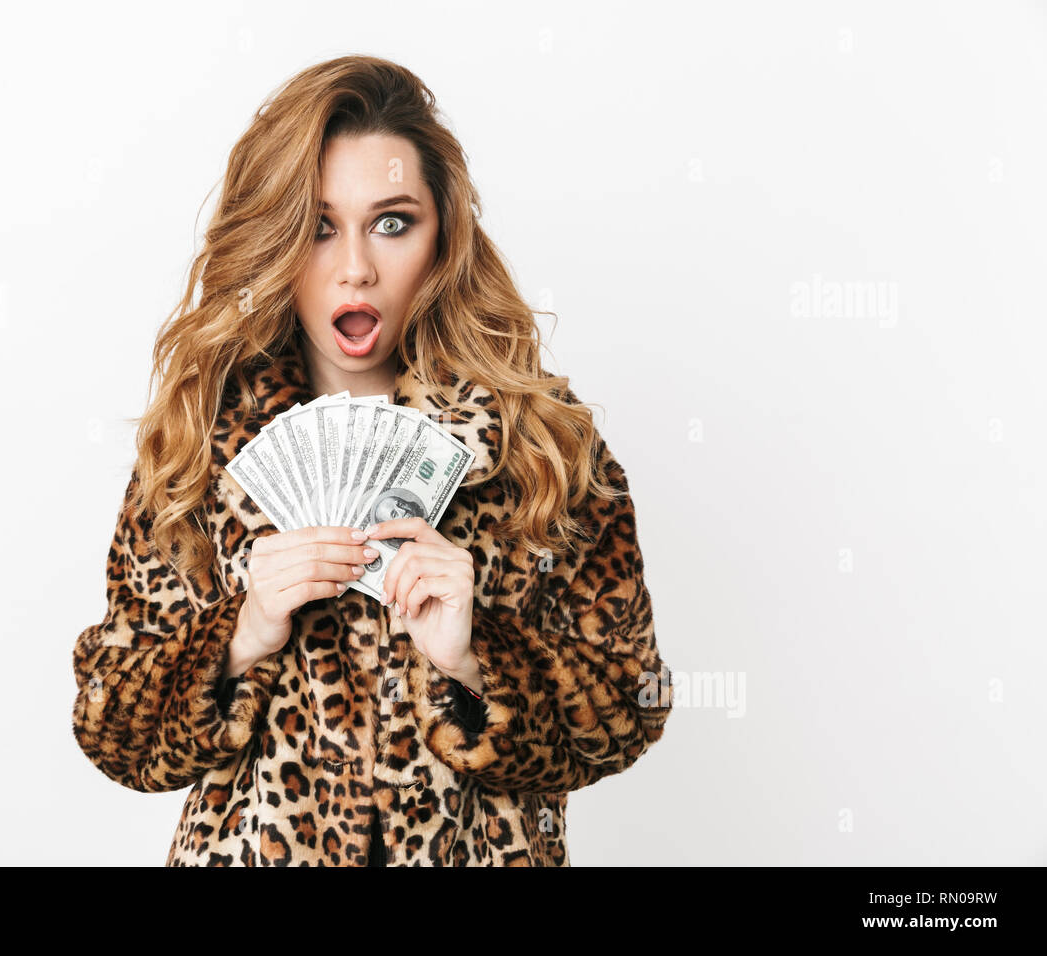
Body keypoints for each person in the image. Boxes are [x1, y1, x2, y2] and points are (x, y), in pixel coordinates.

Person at [71, 54, 673, 866]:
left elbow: (631, 709)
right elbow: (110, 725)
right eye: (319, 226)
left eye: (392, 222)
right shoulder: (201, 445)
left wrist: (476, 656)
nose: (356, 266)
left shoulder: (544, 447)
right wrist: (241, 634)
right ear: (275, 238)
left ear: (443, 236)